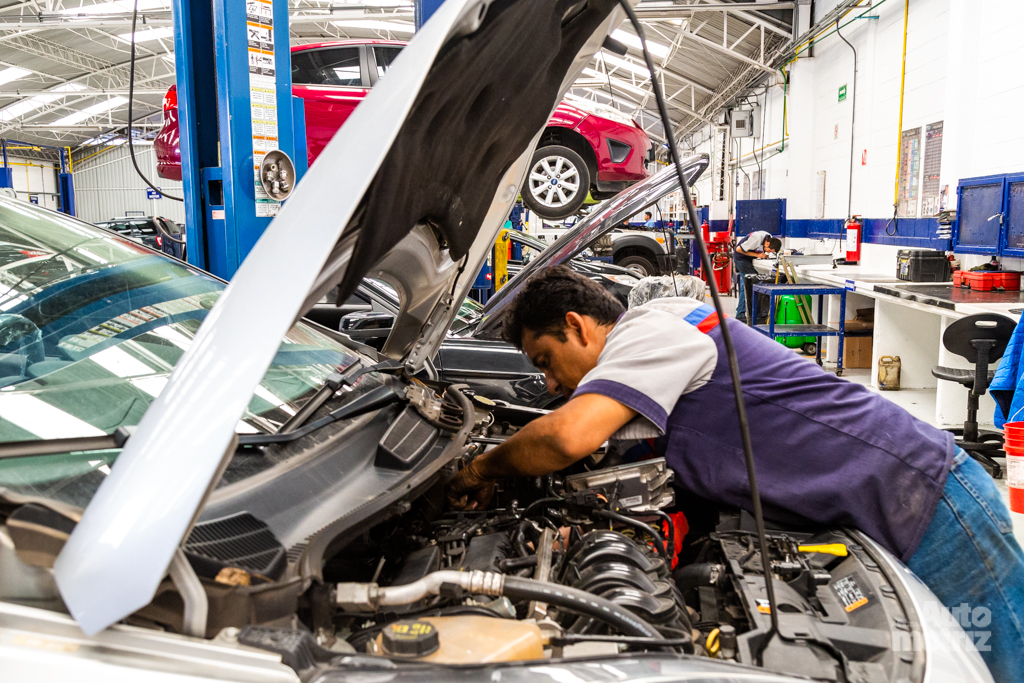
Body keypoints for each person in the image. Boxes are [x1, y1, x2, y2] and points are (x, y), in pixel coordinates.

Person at [446, 265, 1024, 682]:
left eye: (546, 361)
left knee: (1005, 659)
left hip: (923, 495)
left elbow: (568, 435)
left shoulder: (648, 334)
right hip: (881, 504)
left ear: (577, 325)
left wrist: (479, 469)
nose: (548, 384)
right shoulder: (652, 346)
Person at [733, 230, 781, 323]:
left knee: (745, 286)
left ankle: (741, 313)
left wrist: (763, 255)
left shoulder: (769, 237)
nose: (769, 252)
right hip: (741, 259)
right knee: (752, 283)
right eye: (769, 251)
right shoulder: (757, 238)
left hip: (748, 259)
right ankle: (749, 314)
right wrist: (758, 255)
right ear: (767, 244)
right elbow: (738, 250)